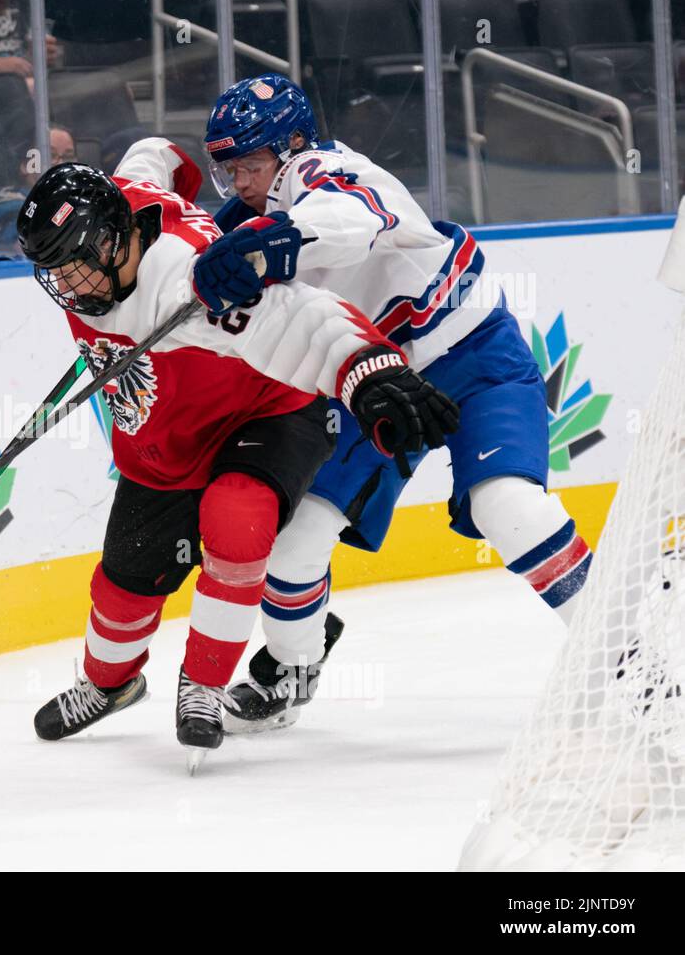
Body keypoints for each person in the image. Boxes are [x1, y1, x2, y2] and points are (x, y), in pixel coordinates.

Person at [16, 139, 459, 763]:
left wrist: (371, 372)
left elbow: (301, 319)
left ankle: (202, 685)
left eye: (73, 266)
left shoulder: (188, 281)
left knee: (237, 520)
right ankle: (109, 684)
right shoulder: (123, 202)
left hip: (269, 414)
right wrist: (183, 174)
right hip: (165, 446)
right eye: (52, 272)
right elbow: (155, 153)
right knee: (125, 587)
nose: (65, 285)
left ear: (114, 241)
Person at [194, 74, 592, 731]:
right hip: (370, 383)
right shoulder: (244, 221)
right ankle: (295, 667)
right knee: (293, 539)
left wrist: (273, 245)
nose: (239, 181)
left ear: (294, 146)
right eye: (229, 168)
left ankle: (625, 654)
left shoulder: (330, 171)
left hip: (472, 358)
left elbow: (352, 220)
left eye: (252, 164)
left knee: (507, 506)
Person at [0, 124, 76, 251]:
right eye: (50, 155)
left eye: (68, 157)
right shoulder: (8, 203)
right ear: (25, 165)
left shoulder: (85, 198)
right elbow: (27, 249)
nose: (62, 163)